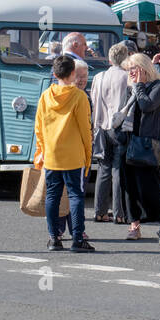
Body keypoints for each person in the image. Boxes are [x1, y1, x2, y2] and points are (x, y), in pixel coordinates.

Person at [33, 54, 94, 252]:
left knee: (52, 196)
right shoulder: (79, 96)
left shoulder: (45, 96)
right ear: (73, 73)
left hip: (52, 154)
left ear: (54, 73)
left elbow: (39, 128)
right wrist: (88, 153)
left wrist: (41, 150)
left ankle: (54, 237)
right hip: (73, 154)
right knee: (76, 196)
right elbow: (86, 129)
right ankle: (77, 238)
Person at [117, 52, 160, 241]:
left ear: (144, 69)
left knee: (151, 187)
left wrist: (138, 86)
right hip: (128, 142)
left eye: (133, 69)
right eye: (128, 69)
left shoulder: (159, 87)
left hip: (147, 144)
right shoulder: (130, 89)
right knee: (129, 187)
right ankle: (134, 226)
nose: (130, 73)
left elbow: (147, 106)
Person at [91, 43, 131, 224]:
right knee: (118, 170)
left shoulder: (99, 76)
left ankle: (99, 211)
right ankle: (119, 213)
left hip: (101, 126)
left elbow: (93, 100)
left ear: (109, 59)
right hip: (120, 127)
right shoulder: (127, 77)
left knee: (104, 168)